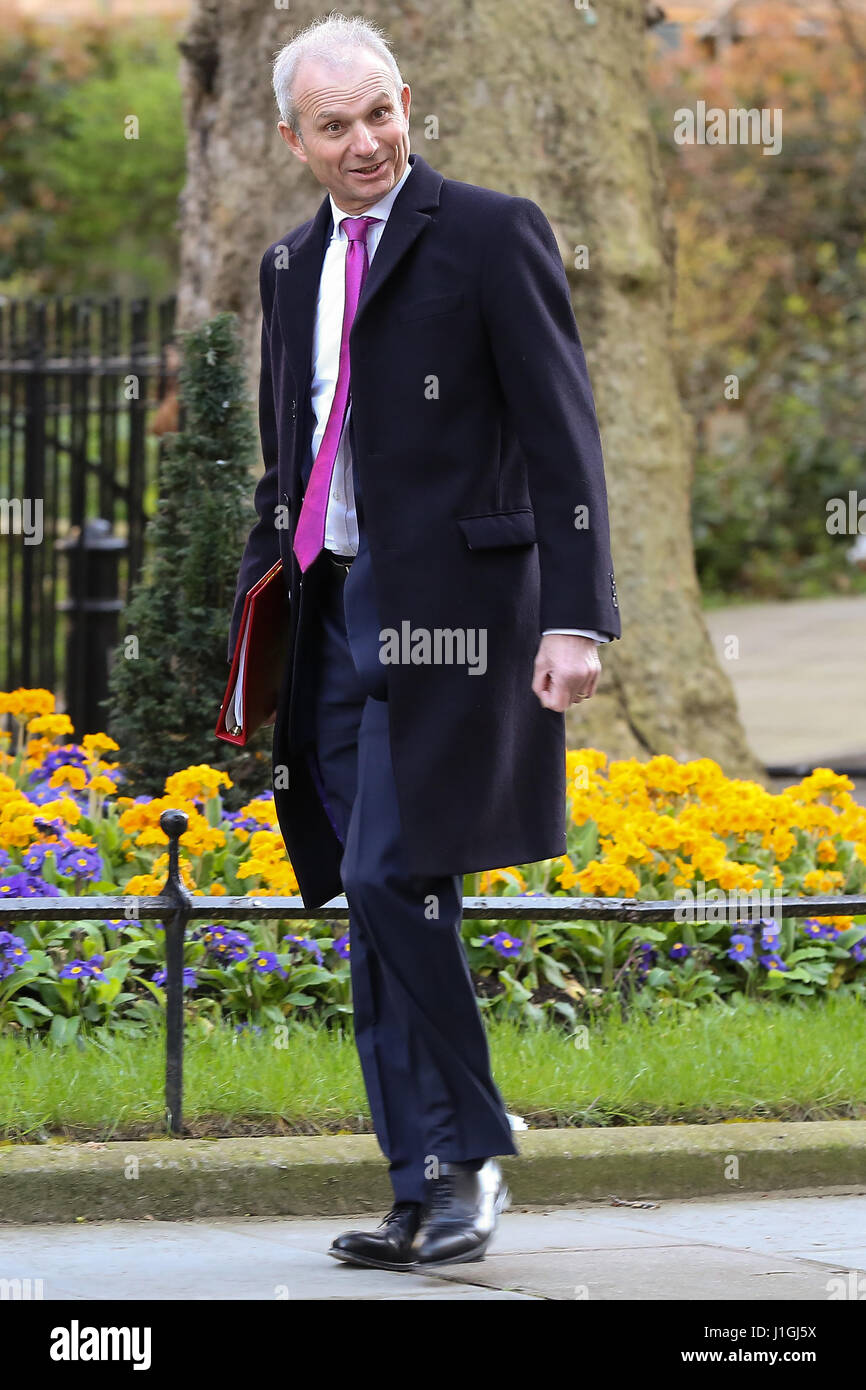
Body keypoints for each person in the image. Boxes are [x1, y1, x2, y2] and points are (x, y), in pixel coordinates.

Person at [227, 13, 621, 1272]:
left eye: (380, 113)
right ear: (292, 138)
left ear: (409, 102)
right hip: (332, 610)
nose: (365, 143)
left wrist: (575, 615)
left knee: (398, 871)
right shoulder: (289, 268)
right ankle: (421, 1186)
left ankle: (473, 1142)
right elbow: (287, 461)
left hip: (454, 614)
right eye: (333, 126)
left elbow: (564, 435)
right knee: (372, 890)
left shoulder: (491, 233)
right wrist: (258, 634)